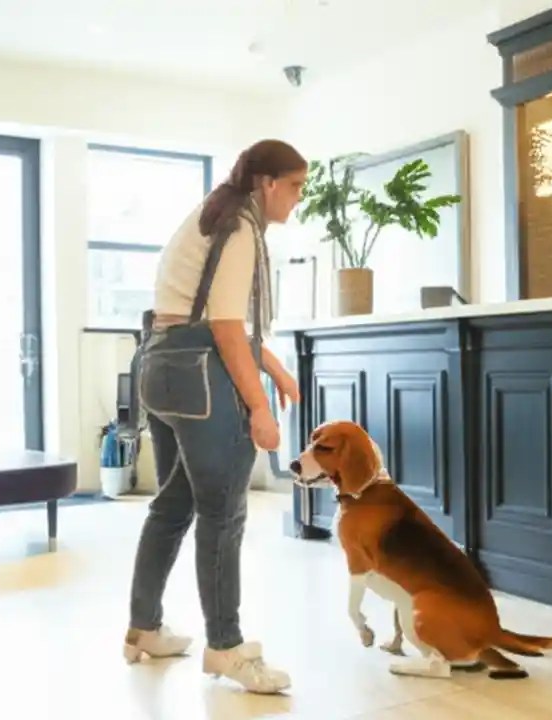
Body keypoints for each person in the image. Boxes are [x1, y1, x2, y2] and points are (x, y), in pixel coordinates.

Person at [122, 139, 306, 694]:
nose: (298, 198)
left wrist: (269, 365)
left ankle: (143, 629)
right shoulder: (243, 228)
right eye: (295, 186)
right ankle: (226, 647)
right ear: (267, 183)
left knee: (173, 505)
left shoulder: (211, 213)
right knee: (223, 515)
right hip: (201, 376)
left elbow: (196, 313)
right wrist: (258, 409)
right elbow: (226, 328)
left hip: (159, 364)